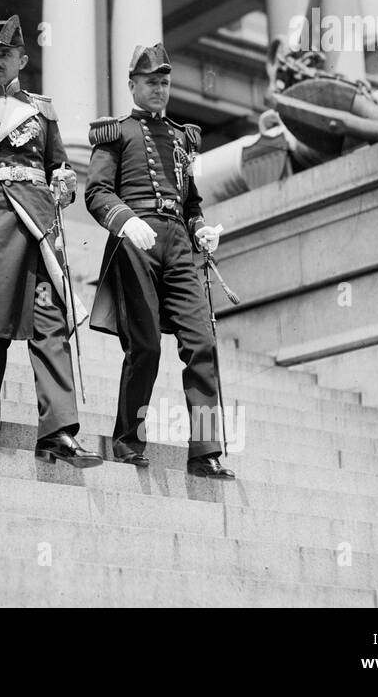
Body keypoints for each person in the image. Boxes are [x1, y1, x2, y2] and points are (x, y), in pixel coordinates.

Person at [0, 15, 100, 468]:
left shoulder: (42, 110)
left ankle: (58, 432)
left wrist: (66, 185)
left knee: (50, 323)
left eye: (4, 55)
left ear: (22, 59)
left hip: (37, 224)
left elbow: (59, 169)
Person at [84, 42, 235, 480]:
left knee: (202, 344)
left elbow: (191, 203)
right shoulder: (116, 133)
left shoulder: (183, 138)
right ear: (132, 84)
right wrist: (125, 221)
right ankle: (128, 439)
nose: (159, 89)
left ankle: (205, 451)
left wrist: (201, 227)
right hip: (136, 241)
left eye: (165, 82)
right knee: (145, 346)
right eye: (151, 82)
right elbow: (96, 192)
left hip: (179, 246)